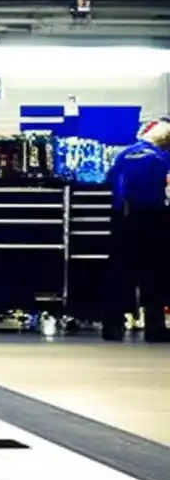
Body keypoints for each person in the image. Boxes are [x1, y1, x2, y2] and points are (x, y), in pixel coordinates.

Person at [101, 118, 170, 343]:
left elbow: (108, 180)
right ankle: (155, 327)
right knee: (153, 274)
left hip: (123, 217)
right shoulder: (163, 158)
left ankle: (112, 325)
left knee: (120, 273)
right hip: (153, 217)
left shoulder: (123, 155)